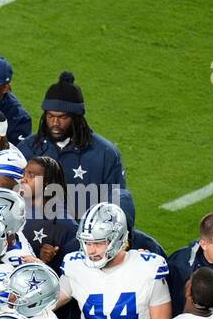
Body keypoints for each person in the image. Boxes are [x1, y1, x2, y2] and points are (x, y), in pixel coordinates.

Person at [18, 71, 135, 225]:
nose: (55, 123)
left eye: (63, 117)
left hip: (85, 241)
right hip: (33, 235)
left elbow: (115, 207)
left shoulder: (106, 154)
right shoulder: (26, 149)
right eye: (50, 116)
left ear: (77, 118)